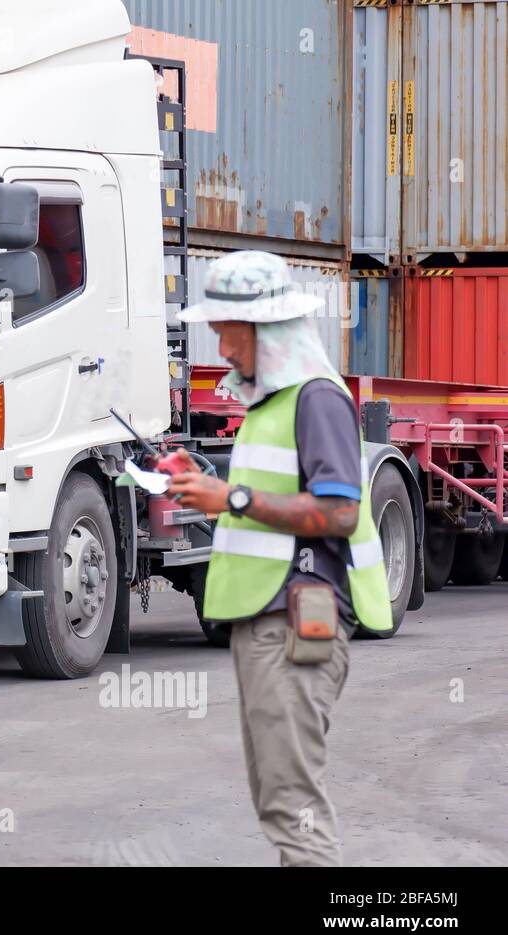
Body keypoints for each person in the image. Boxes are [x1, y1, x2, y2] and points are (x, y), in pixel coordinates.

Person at [166, 249, 393, 867]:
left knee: (293, 808)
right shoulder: (273, 405)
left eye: (224, 329)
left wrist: (231, 495)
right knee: (281, 801)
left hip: (295, 621)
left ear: (263, 326)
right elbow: (268, 510)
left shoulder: (316, 399)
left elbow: (340, 513)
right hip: (270, 620)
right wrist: (208, 490)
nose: (219, 344)